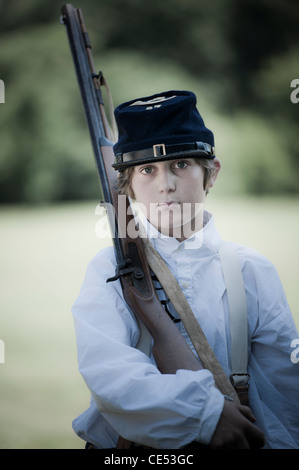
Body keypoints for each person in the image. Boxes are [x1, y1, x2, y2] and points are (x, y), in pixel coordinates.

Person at [72, 90, 299, 449]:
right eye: (147, 170)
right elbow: (111, 376)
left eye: (180, 164)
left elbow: (284, 394)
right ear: (125, 185)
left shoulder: (252, 271)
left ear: (212, 172)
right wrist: (204, 414)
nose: (166, 184)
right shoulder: (108, 269)